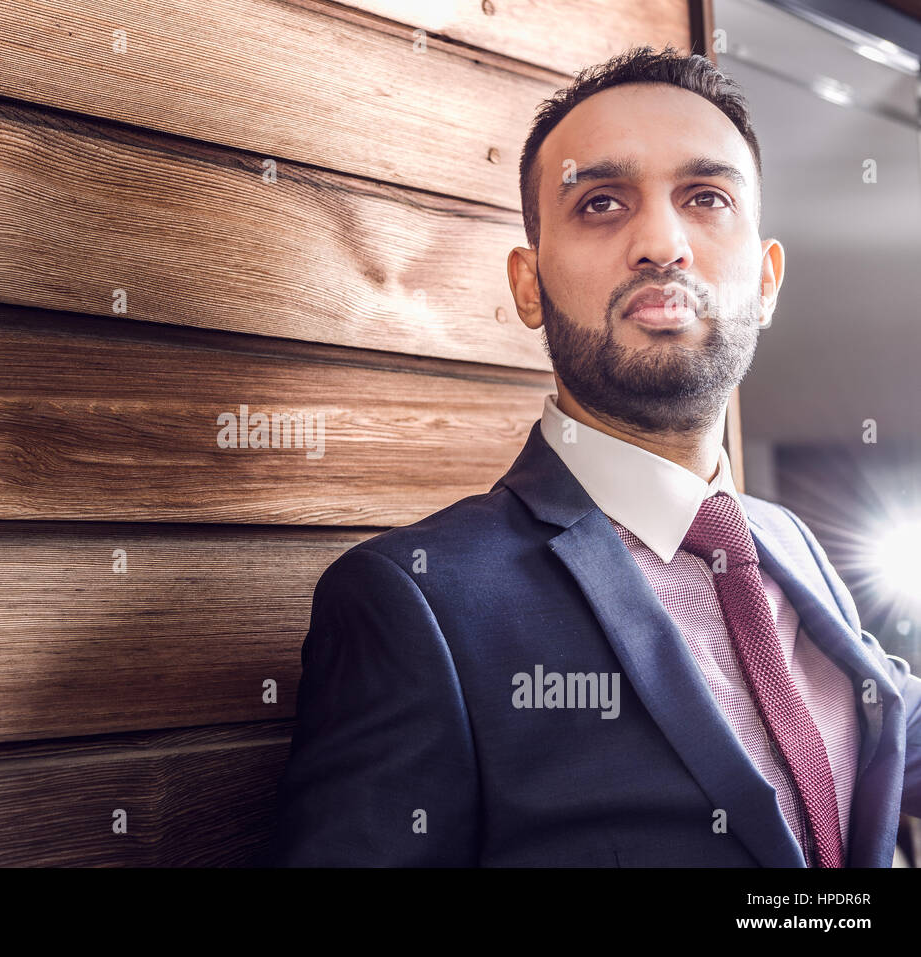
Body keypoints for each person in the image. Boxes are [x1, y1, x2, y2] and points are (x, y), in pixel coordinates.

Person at [258, 45, 921, 867]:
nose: (662, 243)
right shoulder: (416, 602)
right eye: (601, 202)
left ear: (766, 281)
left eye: (706, 197)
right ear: (528, 285)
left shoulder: (792, 544)